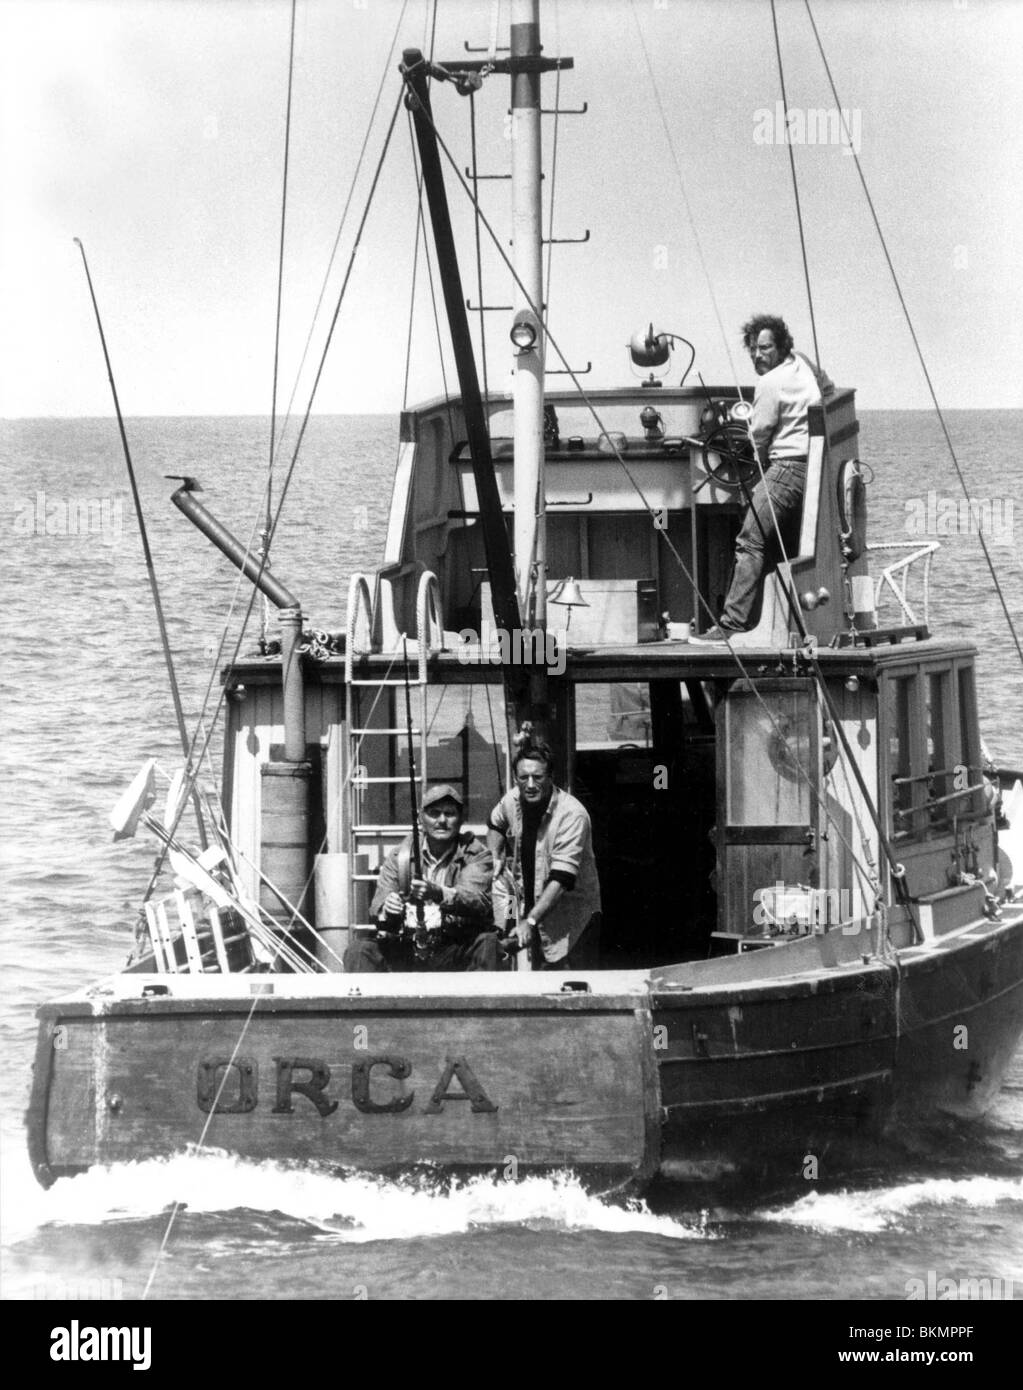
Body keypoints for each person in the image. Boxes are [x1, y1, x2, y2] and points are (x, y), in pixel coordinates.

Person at [692, 314, 833, 643]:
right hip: (812, 469)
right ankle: (775, 626)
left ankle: (731, 625)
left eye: (765, 348)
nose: (758, 355)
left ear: (781, 346)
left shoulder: (769, 383)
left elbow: (759, 435)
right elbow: (828, 390)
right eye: (754, 349)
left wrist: (760, 470)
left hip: (785, 469)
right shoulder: (804, 364)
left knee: (750, 540)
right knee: (777, 546)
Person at [343, 784, 498, 972]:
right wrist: (388, 908)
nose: (442, 820)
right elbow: (378, 906)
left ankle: (479, 1002)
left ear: (461, 819)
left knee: (489, 944)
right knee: (359, 950)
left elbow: (477, 900)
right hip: (407, 946)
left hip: (454, 946)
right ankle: (366, 1002)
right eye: (434, 813)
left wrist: (438, 893)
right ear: (420, 818)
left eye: (450, 814)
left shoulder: (477, 855)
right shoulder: (399, 856)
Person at [487, 740, 601, 970]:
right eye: (522, 778)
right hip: (530, 914)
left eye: (537, 778)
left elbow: (561, 879)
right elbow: (494, 823)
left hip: (572, 921)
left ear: (551, 777)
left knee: (575, 989)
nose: (529, 785)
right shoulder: (512, 799)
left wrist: (530, 921)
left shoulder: (572, 815)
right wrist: (496, 856)